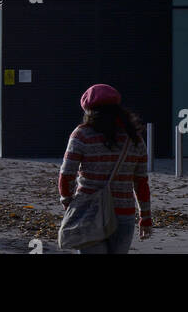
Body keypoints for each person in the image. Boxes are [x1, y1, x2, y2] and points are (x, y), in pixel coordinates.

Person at [58, 83, 152, 254]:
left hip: (89, 211)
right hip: (124, 214)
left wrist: (67, 201)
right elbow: (141, 182)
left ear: (88, 110)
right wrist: (145, 216)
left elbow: (66, 175)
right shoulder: (134, 138)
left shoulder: (82, 134)